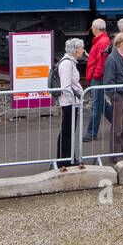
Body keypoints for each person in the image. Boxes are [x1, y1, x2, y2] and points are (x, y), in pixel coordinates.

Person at [55, 38, 85, 167]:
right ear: (76, 50)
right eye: (82, 48)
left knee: (69, 131)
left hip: (71, 102)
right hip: (69, 103)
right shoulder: (67, 64)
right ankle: (65, 160)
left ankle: (68, 158)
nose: (83, 50)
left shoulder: (69, 62)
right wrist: (76, 98)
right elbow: (66, 86)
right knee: (67, 131)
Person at [83, 18, 111, 142]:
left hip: (98, 78)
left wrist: (96, 75)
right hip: (98, 76)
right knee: (102, 103)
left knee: (95, 105)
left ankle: (91, 133)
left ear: (95, 29)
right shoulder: (103, 40)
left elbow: (101, 62)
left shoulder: (101, 42)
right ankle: (118, 124)